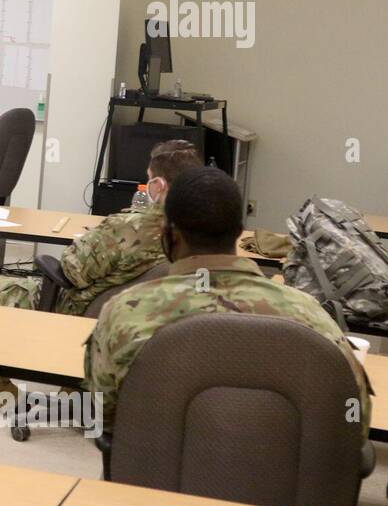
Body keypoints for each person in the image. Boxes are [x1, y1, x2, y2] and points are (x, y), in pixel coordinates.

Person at [84, 166, 372, 435]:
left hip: (151, 480)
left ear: (169, 235)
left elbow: (103, 412)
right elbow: (354, 420)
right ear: (238, 232)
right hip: (279, 484)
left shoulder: (124, 313)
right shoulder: (308, 316)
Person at [0, 139, 203, 410]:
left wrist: (90, 240)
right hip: (139, 324)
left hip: (84, 314)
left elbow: (71, 271)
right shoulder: (200, 229)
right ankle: (74, 390)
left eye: (149, 180)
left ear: (159, 186)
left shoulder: (130, 226)